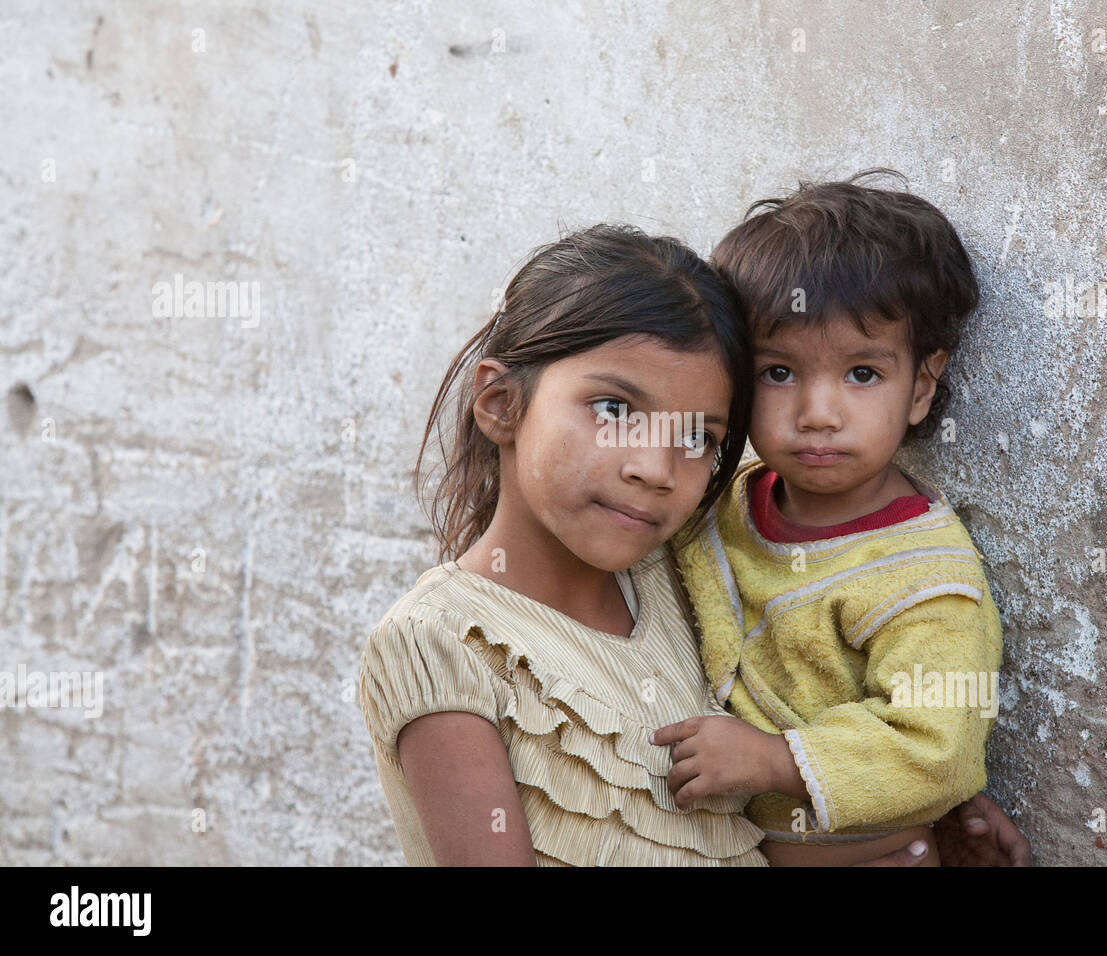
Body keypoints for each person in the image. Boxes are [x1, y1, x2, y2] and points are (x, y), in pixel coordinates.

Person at [357, 219, 1029, 866]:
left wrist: (914, 816)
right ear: (502, 403)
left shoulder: (687, 570)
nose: (653, 469)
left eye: (696, 439)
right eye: (614, 409)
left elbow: (809, 717)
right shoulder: (446, 646)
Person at [657, 170, 1005, 866]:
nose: (818, 413)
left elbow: (935, 751)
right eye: (779, 372)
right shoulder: (718, 504)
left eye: (863, 374)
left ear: (921, 388)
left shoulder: (924, 579)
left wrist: (774, 759)